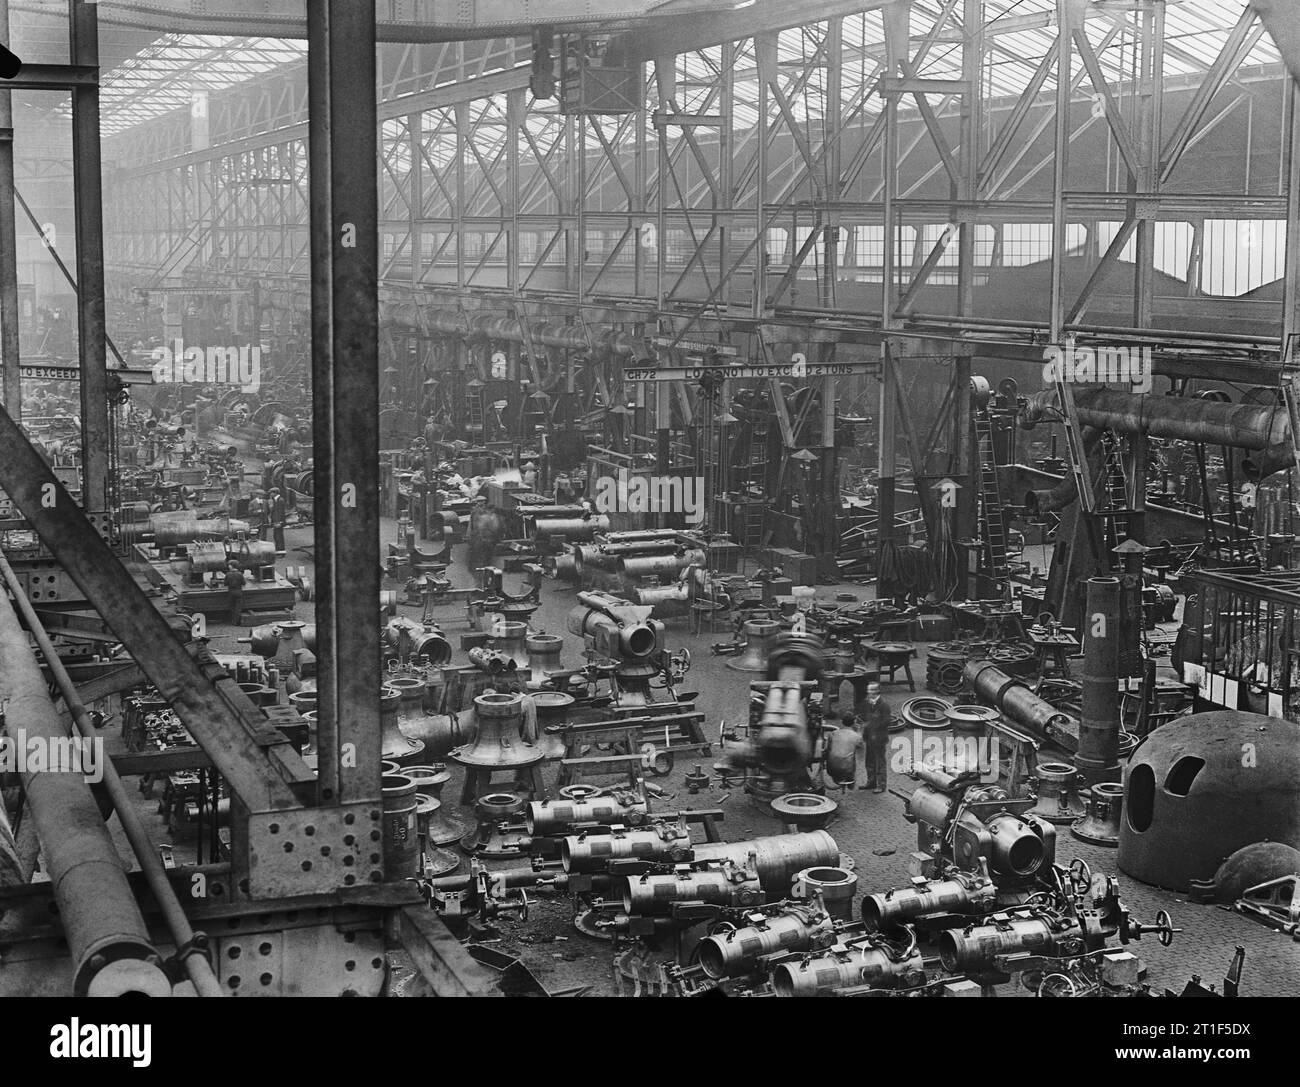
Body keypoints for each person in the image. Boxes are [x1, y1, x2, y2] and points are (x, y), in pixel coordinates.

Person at [857, 681, 892, 793]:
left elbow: (886, 721)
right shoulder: (866, 703)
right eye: (869, 690)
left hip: (879, 738)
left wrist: (873, 726)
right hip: (869, 737)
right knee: (869, 761)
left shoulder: (884, 705)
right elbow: (863, 717)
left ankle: (881, 785)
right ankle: (871, 782)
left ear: (877, 691)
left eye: (872, 690)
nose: (870, 692)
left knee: (880, 762)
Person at [225, 561, 246, 627]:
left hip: (231, 592)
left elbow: (225, 583)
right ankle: (236, 622)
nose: (228, 566)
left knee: (232, 607)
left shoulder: (228, 574)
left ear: (232, 566)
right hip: (239, 592)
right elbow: (243, 583)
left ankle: (232, 620)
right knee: (238, 608)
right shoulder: (240, 574)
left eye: (229, 565)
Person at [268, 487, 287, 555]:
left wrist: (279, 522)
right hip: (276, 521)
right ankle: (278, 550)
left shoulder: (280, 500)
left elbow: (280, 512)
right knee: (276, 536)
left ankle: (281, 552)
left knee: (279, 536)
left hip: (278, 522)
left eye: (271, 493)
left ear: (275, 493)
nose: (270, 494)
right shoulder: (275, 500)